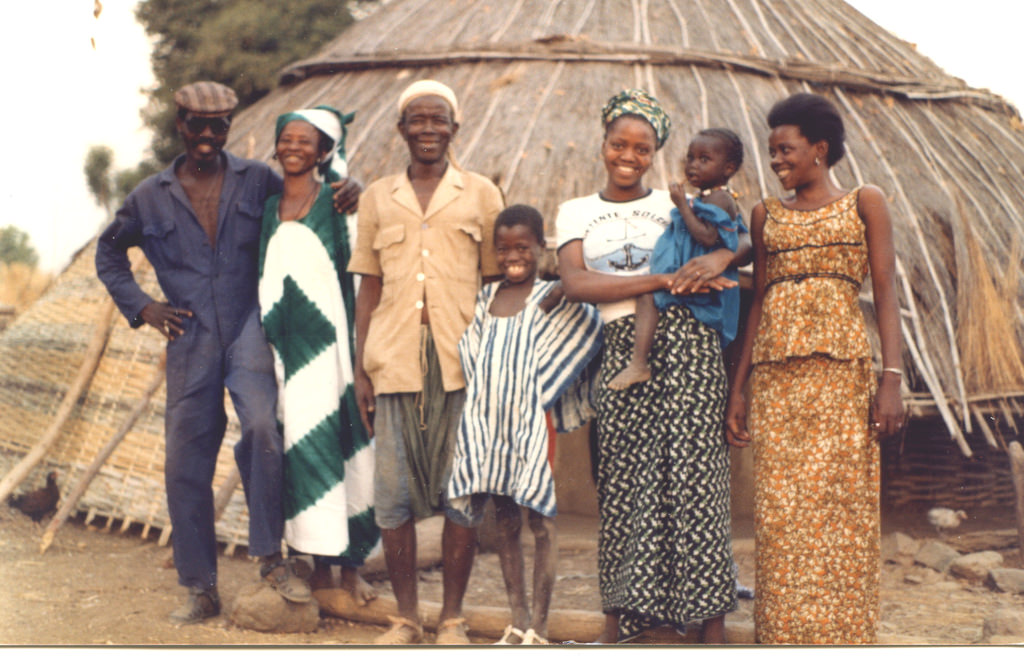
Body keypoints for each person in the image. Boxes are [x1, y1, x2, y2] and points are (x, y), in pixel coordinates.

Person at [94, 81, 359, 625]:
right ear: (180, 125)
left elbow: (308, 194)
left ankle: (271, 560)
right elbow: (109, 254)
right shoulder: (149, 196)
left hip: (248, 328)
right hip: (188, 337)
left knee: (262, 427)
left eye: (219, 126)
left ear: (229, 128)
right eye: (198, 125)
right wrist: (144, 307)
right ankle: (200, 587)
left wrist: (347, 187)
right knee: (185, 459)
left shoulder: (257, 179)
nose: (208, 136)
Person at [556, 88, 750, 644]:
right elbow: (576, 283)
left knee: (696, 481)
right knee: (624, 484)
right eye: (619, 144)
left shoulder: (678, 201)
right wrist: (661, 280)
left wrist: (721, 256)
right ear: (604, 144)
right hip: (624, 349)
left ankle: (709, 626)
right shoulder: (576, 211)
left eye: (642, 148)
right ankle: (624, 623)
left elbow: (743, 241)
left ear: (655, 153)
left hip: (690, 344)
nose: (629, 156)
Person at [724, 92, 905, 644]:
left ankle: (843, 637)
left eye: (786, 149)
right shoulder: (766, 214)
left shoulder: (865, 202)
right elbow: (759, 301)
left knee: (840, 507)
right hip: (777, 380)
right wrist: (738, 390)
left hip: (841, 376)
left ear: (819, 149)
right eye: (772, 151)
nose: (776, 160)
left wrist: (891, 380)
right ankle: (783, 637)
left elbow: (885, 290)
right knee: (781, 512)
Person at [347, 79, 505, 645]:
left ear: (454, 128)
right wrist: (361, 370)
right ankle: (407, 617)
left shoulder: (481, 194)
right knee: (392, 498)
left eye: (439, 120)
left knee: (461, 494)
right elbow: (368, 287)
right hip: (393, 362)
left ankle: (452, 618)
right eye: (418, 120)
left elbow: (496, 286)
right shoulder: (378, 197)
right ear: (402, 129)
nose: (429, 129)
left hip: (461, 363)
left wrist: (495, 366)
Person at [446, 205, 603, 645]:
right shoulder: (486, 298)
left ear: (540, 247)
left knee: (540, 521)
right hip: (491, 426)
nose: (512, 256)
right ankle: (518, 621)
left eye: (522, 247)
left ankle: (541, 627)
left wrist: (545, 388)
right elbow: (473, 353)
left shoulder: (551, 295)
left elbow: (590, 327)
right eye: (504, 248)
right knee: (505, 521)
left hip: (533, 424)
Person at [257, 106, 379, 604]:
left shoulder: (338, 201)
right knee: (301, 453)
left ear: (324, 151)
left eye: (305, 141)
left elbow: (360, 272)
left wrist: (360, 358)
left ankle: (350, 568)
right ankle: (316, 562)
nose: (293, 148)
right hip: (286, 354)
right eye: (286, 138)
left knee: (344, 448)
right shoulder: (268, 206)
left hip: (333, 351)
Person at [607, 128, 747, 390]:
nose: (693, 165)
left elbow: (707, 237)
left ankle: (639, 363)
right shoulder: (706, 198)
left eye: (704, 159)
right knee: (647, 295)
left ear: (728, 168)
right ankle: (639, 363)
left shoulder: (720, 198)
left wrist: (682, 204)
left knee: (650, 298)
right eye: (690, 158)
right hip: (686, 278)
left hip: (700, 281)